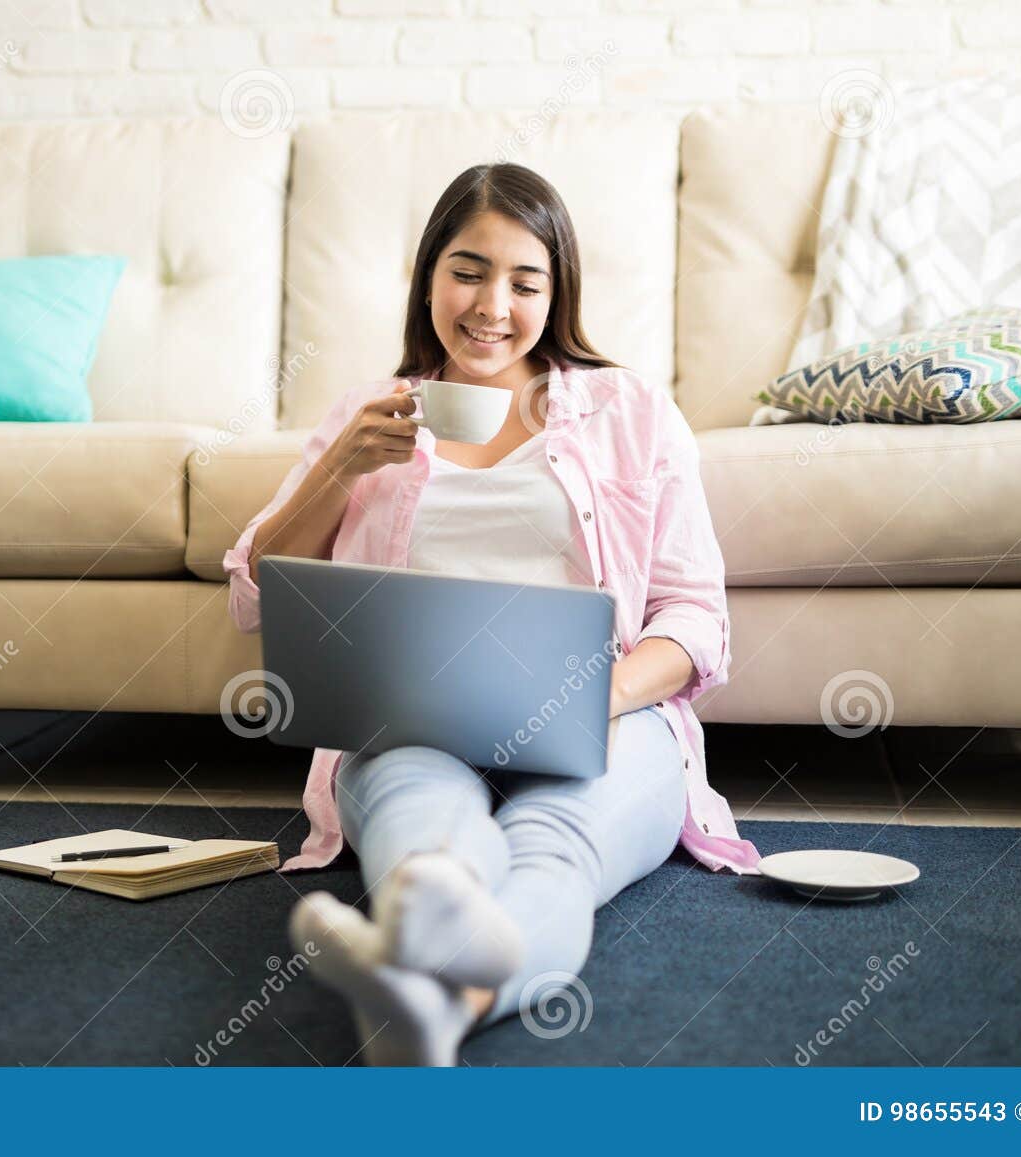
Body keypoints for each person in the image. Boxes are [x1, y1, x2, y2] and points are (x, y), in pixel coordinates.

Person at [222, 162, 761, 1065]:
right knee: (429, 846)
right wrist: (340, 470)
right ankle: (446, 990)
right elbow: (252, 596)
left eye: (525, 281)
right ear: (429, 274)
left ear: (559, 293)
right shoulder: (369, 416)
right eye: (468, 271)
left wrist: (595, 697)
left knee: (554, 845)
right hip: (410, 724)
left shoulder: (630, 411)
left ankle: (438, 1000)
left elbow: (696, 618)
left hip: (607, 719)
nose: (492, 306)